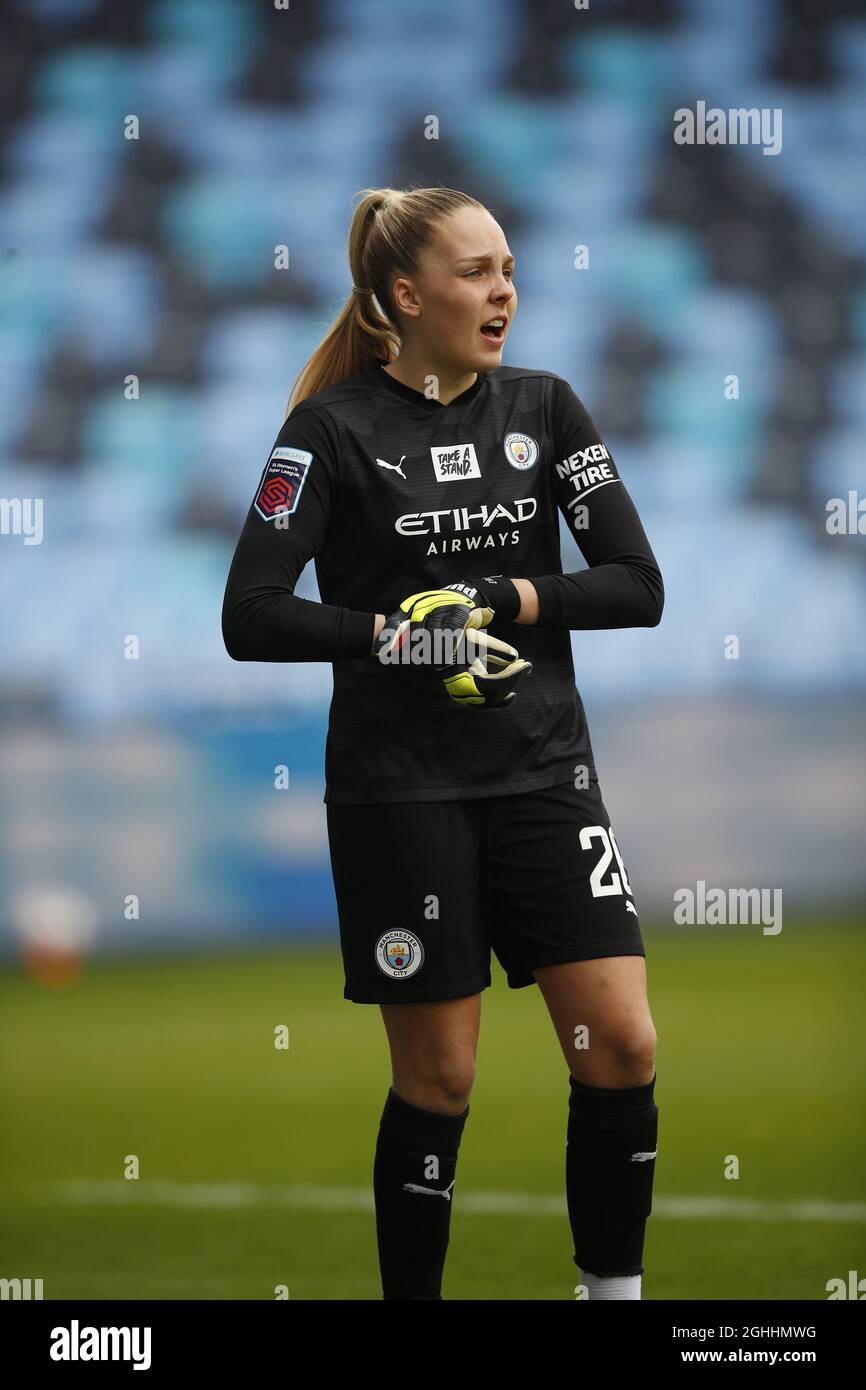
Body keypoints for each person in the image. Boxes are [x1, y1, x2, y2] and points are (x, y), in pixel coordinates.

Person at [222, 185, 664, 1301]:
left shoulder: (546, 408)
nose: (504, 289)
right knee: (441, 1080)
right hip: (401, 793)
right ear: (405, 296)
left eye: (507, 267)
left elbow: (637, 585)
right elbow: (251, 614)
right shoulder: (327, 432)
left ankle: (613, 1297)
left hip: (545, 773)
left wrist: (504, 598)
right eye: (475, 272)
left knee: (620, 1044)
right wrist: (402, 636)